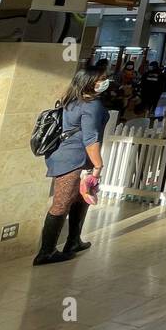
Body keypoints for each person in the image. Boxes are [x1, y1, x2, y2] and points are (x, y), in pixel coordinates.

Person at [34, 67, 108, 265]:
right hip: (72, 158)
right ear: (89, 82)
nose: (105, 82)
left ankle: (73, 240)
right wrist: (98, 166)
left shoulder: (71, 100)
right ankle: (46, 251)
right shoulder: (91, 105)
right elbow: (91, 138)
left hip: (70, 156)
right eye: (101, 79)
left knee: (80, 199)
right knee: (62, 202)